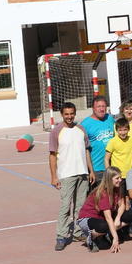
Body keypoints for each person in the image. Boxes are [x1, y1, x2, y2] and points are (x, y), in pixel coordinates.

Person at [48, 102, 93, 251]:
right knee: (65, 207)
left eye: (71, 113)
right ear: (62, 114)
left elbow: (86, 151)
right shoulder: (56, 132)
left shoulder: (81, 129)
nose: (69, 116)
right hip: (66, 175)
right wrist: (54, 176)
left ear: (75, 113)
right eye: (66, 114)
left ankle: (78, 232)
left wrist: (90, 171)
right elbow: (52, 155)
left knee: (80, 206)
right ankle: (61, 236)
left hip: (82, 173)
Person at [76, 167, 125, 253]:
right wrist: (115, 238)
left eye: (120, 177)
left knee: (130, 214)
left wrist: (118, 218)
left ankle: (103, 235)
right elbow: (108, 218)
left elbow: (122, 205)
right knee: (105, 225)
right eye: (117, 178)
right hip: (87, 218)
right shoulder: (103, 193)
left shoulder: (117, 188)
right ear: (110, 179)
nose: (120, 180)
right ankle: (92, 236)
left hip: (101, 218)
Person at [81, 95, 115, 183]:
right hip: (96, 168)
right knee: (98, 195)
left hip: (112, 166)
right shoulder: (85, 124)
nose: (101, 109)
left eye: (103, 106)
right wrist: (89, 170)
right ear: (93, 108)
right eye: (98, 106)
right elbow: (82, 148)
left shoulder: (110, 119)